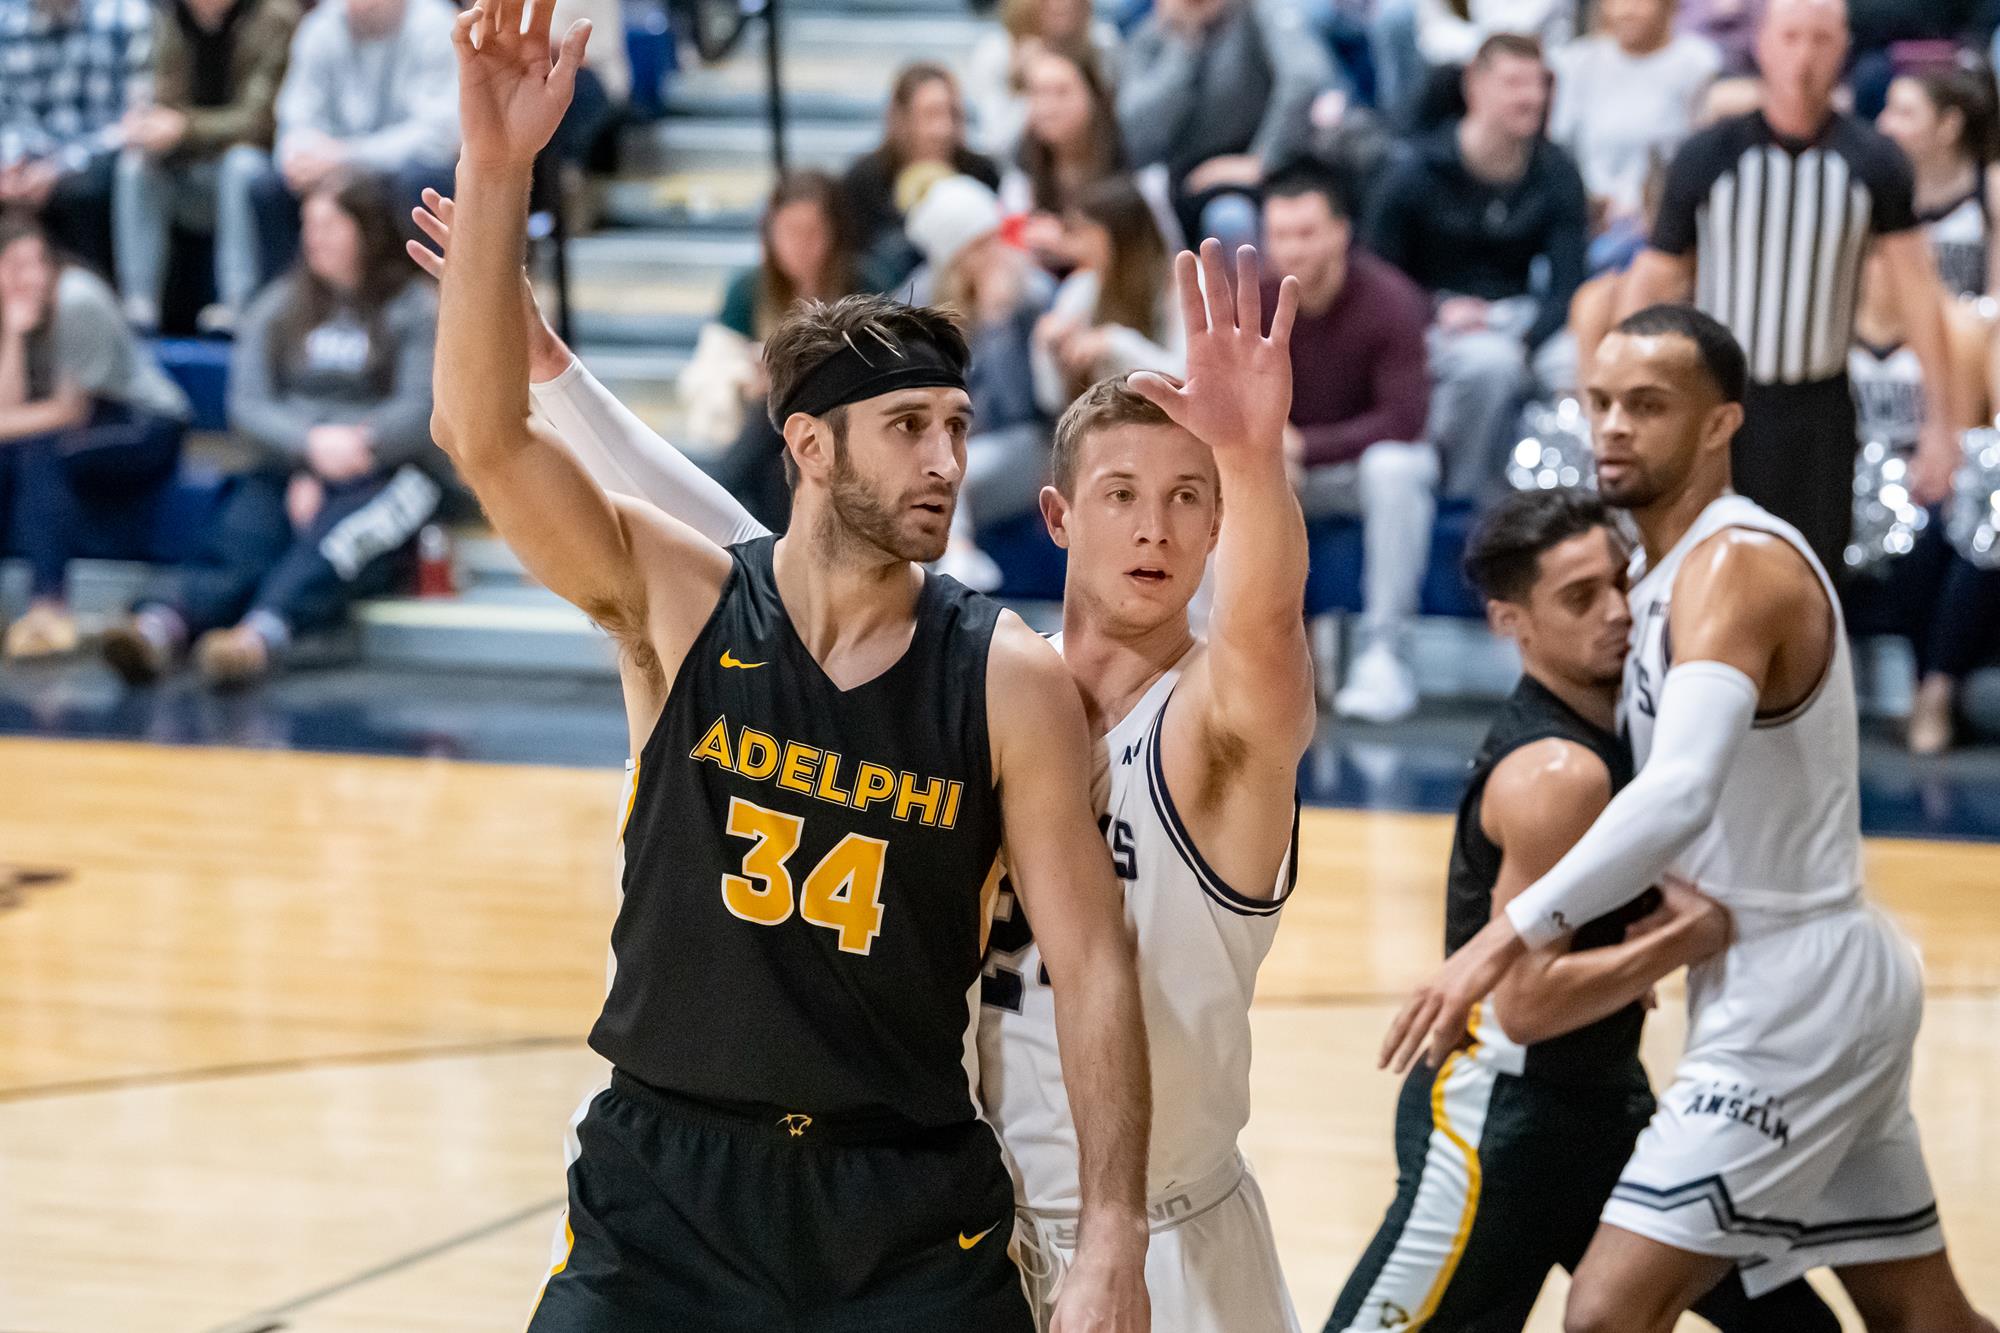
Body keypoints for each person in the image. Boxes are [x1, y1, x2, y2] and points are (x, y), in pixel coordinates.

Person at [415, 179, 1314, 1331]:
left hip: (1095, 1219)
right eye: (1124, 494)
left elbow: (1263, 642)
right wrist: (554, 362)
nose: (1154, 526)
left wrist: (1254, 460)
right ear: (1056, 517)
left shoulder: (1142, 713)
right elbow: (751, 555)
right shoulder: (937, 660)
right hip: (870, 1186)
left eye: (1191, 499)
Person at [1382, 303, 1997, 1333]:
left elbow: (1679, 790)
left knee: (1606, 1310)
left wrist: (1495, 938)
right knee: (1918, 1312)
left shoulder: (1732, 566)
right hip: (1783, 977)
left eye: (1647, 405)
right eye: (1600, 403)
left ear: (1719, 424)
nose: (1613, 425)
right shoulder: (1659, 576)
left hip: (1795, 986)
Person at [1327, 487, 1839, 1332]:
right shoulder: (1561, 771)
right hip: (1503, 1122)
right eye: (1579, 598)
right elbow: (1525, 1005)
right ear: (1509, 622)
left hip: (1605, 1106)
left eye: (1621, 582)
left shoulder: (1633, 725)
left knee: (1791, 1323)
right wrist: (1684, 939)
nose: (1617, 613)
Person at [1615, 0, 1960, 577]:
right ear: (1762, 46)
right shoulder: (1707, 156)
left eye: (1821, 40)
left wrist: (1941, 424)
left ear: (1844, 50)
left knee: (1811, 580)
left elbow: (1919, 294)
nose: (1804, 57)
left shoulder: (1873, 161)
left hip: (1819, 407)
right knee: (1703, 572)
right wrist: (1619, 400)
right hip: (1718, 404)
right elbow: (1652, 279)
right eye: (1791, 37)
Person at [98, 173, 441, 687]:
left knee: (335, 540)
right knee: (243, 533)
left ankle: (258, 638)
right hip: (291, 461)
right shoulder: (279, 304)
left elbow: (423, 407)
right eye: (308, 225)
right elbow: (248, 406)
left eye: (329, 224)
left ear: (367, 231)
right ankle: (158, 628)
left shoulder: (416, 308)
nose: (314, 237)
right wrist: (309, 451)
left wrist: (352, 449)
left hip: (387, 468)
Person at [1367, 33, 1589, 500]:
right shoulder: (1416, 170)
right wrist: (1433, 311)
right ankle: (1468, 503)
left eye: (1538, 83)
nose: (1530, 96)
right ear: (1475, 86)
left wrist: (1530, 337)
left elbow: (1569, 282)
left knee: (1577, 359)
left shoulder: (1557, 171)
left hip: (1518, 312)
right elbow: (1379, 275)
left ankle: (1564, 505)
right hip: (1433, 314)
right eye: (1513, 82)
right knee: (1490, 364)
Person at [1259, 160, 1435, 724]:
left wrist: (1303, 445)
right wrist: (1264, 450)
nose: (1293, 250)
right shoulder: (1253, 301)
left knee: (1398, 467)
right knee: (1218, 466)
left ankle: (1386, 653)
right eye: (1281, 236)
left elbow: (1403, 420)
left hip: (1355, 472)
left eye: (1307, 233)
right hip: (1281, 470)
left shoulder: (1391, 301)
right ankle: (1236, 650)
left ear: (1341, 231)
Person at [0, 213, 191, 659]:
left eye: (35, 263)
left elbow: (69, 412)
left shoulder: (77, 300)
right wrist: (11, 333)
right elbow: (11, 406)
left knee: (42, 457)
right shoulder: (11, 311)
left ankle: (49, 607)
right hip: (76, 423)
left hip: (145, 420)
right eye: (13, 266)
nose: (28, 278)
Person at [1843, 248, 2000, 753]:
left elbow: (1971, 436)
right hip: (1852, 496)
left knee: (1967, 516)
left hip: (1927, 495)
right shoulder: (1824, 332)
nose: (1882, 265)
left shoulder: (1959, 329)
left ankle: (1934, 689)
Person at [684, 170, 882, 531]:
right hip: (776, 442)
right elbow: (707, 374)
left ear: (833, 233)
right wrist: (747, 381)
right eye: (788, 232)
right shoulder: (749, 290)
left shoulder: (864, 285)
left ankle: (707, 507)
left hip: (845, 430)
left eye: (811, 232)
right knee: (778, 439)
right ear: (770, 233)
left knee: (784, 414)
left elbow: (883, 370)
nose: (799, 245)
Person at [230, 0, 460, 296]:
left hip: (397, 172)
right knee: (268, 185)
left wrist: (345, 157)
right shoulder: (320, 25)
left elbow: (439, 136)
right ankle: (280, 317)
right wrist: (301, 159)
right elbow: (294, 121)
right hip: (330, 171)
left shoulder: (435, 24)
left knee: (423, 182)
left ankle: (426, 309)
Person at [112, 0, 301, 332]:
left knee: (240, 164)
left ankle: (236, 307)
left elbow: (259, 121)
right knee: (135, 165)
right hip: (190, 169)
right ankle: (139, 307)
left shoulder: (275, 18)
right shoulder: (169, 18)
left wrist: (184, 128)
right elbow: (161, 96)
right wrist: (148, 126)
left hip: (256, 170)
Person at [1116, 0, 1335, 248]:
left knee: (1230, 217)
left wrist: (1261, 161)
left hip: (1263, 165)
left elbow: (1306, 77)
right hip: (1183, 178)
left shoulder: (1258, 12)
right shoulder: (1151, 37)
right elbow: (1136, 132)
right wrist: (1184, 44)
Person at [1548, 0, 1720, 261]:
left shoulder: (1697, 61)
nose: (1627, 11)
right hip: (1586, 223)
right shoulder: (1576, 61)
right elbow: (1557, 150)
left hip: (1664, 226)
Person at [0, 0, 152, 277]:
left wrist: (59, 169)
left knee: (94, 185)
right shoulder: (5, 21)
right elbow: (7, 115)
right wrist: (13, 161)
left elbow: (138, 121)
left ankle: (105, 302)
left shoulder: (127, 15)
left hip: (102, 159)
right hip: (27, 163)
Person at [1033, 176, 1185, 417]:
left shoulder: (1181, 282)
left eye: (1084, 231)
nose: (1075, 247)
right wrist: (1047, 351)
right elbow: (1051, 401)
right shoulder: (1082, 287)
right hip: (1109, 427)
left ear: (1120, 234)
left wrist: (1114, 342)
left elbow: (1185, 379)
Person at [840, 63, 1001, 283]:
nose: (943, 128)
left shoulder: (981, 171)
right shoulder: (864, 179)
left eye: (950, 113)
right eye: (930, 114)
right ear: (902, 119)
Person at [1875, 65, 2000, 301]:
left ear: (1949, 125)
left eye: (1904, 113)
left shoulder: (1992, 188)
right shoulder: (1878, 190)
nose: (1884, 125)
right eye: (1887, 109)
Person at [962, 0, 1121, 157]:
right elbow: (995, 145)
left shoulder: (1104, 44)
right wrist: (1024, 84)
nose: (1061, 4)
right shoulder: (995, 53)